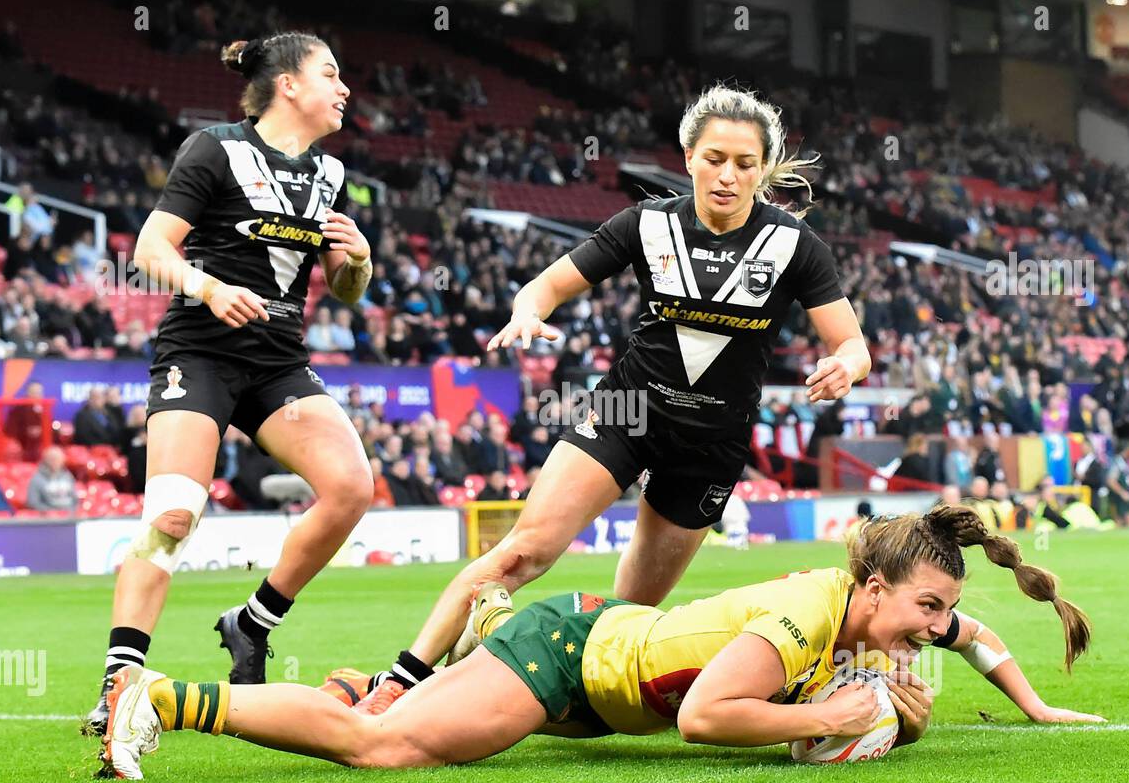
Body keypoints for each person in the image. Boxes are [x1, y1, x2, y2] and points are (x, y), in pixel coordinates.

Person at [361, 83, 870, 708]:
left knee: (629, 618)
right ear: (688, 157)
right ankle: (400, 682)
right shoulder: (646, 222)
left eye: (744, 163)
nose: (728, 176)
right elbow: (543, 287)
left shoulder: (795, 246)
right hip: (626, 412)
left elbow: (853, 345)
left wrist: (845, 365)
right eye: (714, 159)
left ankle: (531, 691)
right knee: (522, 552)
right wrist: (528, 312)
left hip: (712, 444)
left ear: (764, 169)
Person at [99, 506, 1101, 779]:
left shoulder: (872, 613)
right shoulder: (802, 619)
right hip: (566, 656)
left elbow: (979, 638)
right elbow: (708, 717)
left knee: (395, 716)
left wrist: (1034, 703)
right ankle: (159, 698)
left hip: (595, 667)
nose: (932, 629)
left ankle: (384, 680)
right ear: (875, 589)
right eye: (924, 608)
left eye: (936, 615)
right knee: (386, 749)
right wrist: (830, 715)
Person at [82, 31, 375, 736]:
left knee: (352, 488)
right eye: (331, 73)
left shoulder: (331, 174)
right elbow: (150, 250)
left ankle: (252, 621)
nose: (344, 89)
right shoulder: (214, 147)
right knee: (173, 516)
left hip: (278, 364)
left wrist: (358, 263)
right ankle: (120, 683)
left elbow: (345, 292)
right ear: (289, 85)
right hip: (201, 354)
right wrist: (206, 287)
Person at [25, 446, 78, 512]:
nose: (55, 461)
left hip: (69, 516)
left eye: (58, 459)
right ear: (45, 460)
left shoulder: (68, 476)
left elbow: (75, 500)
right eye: (52, 459)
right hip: (47, 519)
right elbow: (32, 503)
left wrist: (71, 511)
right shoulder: (37, 479)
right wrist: (51, 512)